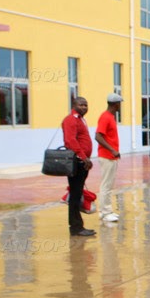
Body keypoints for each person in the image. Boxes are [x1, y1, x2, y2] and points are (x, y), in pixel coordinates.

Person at [62, 97, 95, 237]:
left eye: (86, 105)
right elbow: (70, 141)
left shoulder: (80, 119)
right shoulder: (71, 120)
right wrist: (83, 157)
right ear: (74, 105)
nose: (84, 107)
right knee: (75, 195)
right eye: (81, 105)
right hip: (76, 162)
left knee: (77, 193)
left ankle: (78, 225)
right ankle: (76, 227)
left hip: (82, 162)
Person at [95, 93, 123, 223]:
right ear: (115, 104)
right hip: (107, 156)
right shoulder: (105, 117)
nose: (120, 106)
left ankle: (106, 210)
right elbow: (98, 136)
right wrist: (112, 149)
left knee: (109, 184)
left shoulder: (110, 117)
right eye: (119, 103)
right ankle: (105, 212)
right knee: (106, 185)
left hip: (111, 156)